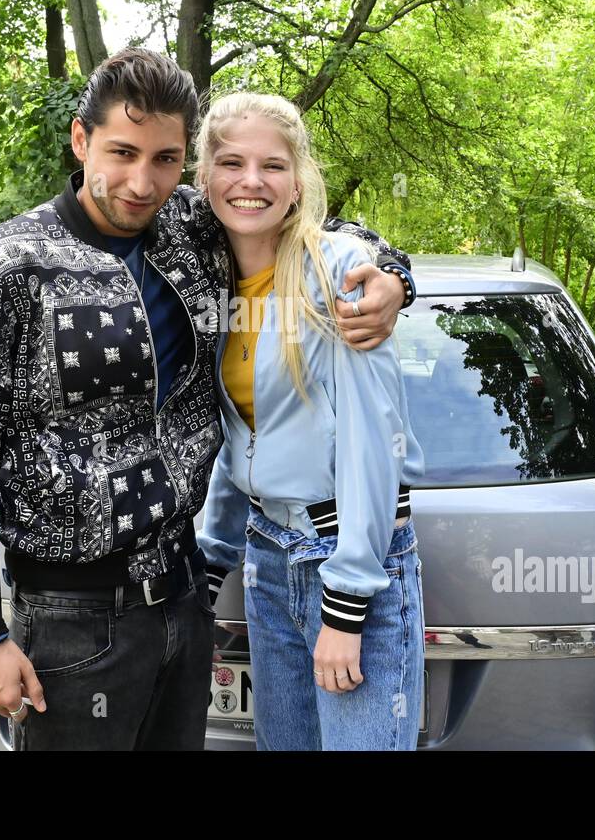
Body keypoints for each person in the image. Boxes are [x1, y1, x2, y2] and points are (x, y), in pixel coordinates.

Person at [0, 48, 417, 750]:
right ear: (82, 140)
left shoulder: (190, 230)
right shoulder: (4, 266)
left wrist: (391, 278)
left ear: (185, 166)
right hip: (69, 616)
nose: (141, 182)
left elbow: (310, 230)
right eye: (121, 152)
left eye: (166, 160)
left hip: (182, 603)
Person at [196, 93, 425, 751]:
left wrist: (346, 608)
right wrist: (212, 566)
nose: (251, 181)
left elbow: (374, 447)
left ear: (298, 182)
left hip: (349, 562)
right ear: (206, 176)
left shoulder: (338, 277)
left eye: (272, 165)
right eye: (232, 162)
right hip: (267, 560)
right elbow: (240, 439)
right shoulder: (211, 283)